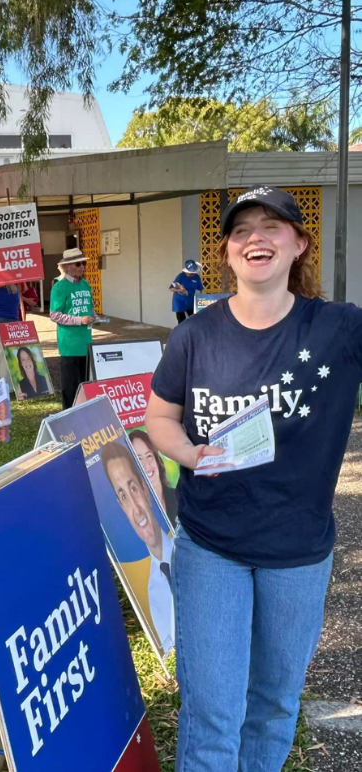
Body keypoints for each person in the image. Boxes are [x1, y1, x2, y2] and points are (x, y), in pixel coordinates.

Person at [145, 184, 362, 772]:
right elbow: (159, 417)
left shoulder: (339, 329)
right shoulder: (195, 335)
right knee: (213, 714)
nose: (255, 238)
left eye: (271, 226)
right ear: (226, 252)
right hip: (212, 545)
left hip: (298, 551)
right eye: (241, 230)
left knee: (272, 705)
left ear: (298, 244)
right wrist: (189, 454)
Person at [100, 442, 174, 652]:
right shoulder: (151, 594)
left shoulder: (189, 550)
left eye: (133, 488)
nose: (136, 509)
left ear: (145, 490)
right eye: (124, 496)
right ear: (121, 507)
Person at [49, 248, 95, 409]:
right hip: (69, 345)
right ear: (67, 267)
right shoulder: (59, 287)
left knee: (86, 384)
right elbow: (54, 315)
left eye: (83, 263)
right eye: (78, 264)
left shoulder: (86, 284)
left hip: (86, 343)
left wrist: (94, 318)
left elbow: (90, 308)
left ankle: (84, 411)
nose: (82, 267)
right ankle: (68, 414)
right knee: (69, 386)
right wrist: (79, 320)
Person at [129, 429, 178, 528]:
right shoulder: (138, 515)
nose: (146, 465)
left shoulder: (180, 497)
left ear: (157, 460)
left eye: (149, 456)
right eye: (139, 460)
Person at [169, 259, 204, 323]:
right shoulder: (180, 276)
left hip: (190, 301)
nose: (191, 274)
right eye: (190, 273)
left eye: (193, 273)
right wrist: (179, 289)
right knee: (181, 321)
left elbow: (201, 289)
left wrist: (203, 298)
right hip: (180, 301)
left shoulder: (196, 277)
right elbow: (171, 288)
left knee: (194, 319)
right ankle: (182, 332)